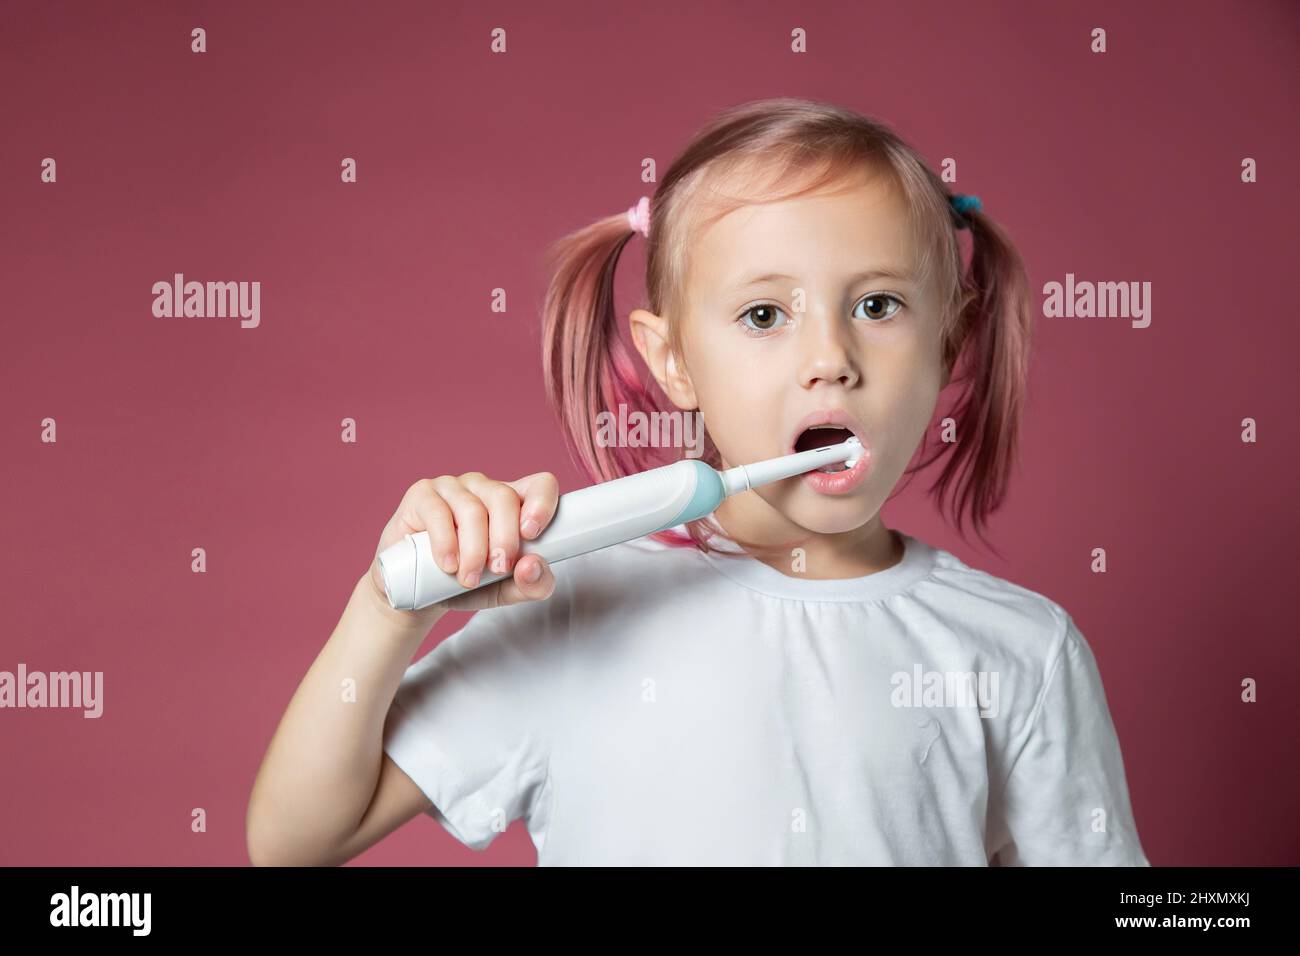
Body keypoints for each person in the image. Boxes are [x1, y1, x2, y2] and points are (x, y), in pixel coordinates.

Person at [246, 97, 1149, 866]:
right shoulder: (574, 606)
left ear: (947, 337)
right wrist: (385, 610)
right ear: (673, 361)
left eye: (878, 305)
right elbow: (293, 840)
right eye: (764, 314)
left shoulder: (1020, 651)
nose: (829, 359)